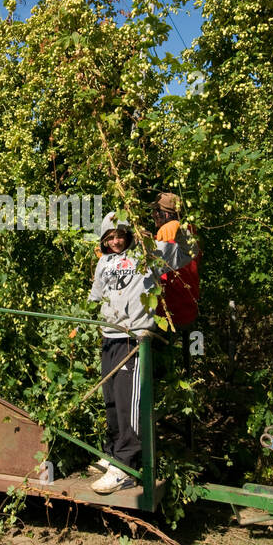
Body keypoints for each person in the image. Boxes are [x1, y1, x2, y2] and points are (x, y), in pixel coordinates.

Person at [87, 212, 195, 494]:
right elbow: (96, 297)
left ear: (130, 233)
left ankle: (126, 465)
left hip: (132, 339)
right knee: (110, 399)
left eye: (120, 235)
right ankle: (113, 454)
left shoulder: (147, 253)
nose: (115, 241)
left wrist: (179, 226)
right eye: (109, 237)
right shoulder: (103, 262)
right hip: (108, 337)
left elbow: (189, 252)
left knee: (128, 403)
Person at [152, 193, 200, 371]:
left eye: (157, 211)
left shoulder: (169, 236)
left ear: (168, 214)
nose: (154, 216)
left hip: (170, 311)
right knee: (191, 355)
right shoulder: (190, 232)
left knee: (163, 364)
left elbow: (155, 267)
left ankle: (174, 387)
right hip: (190, 306)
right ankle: (193, 378)